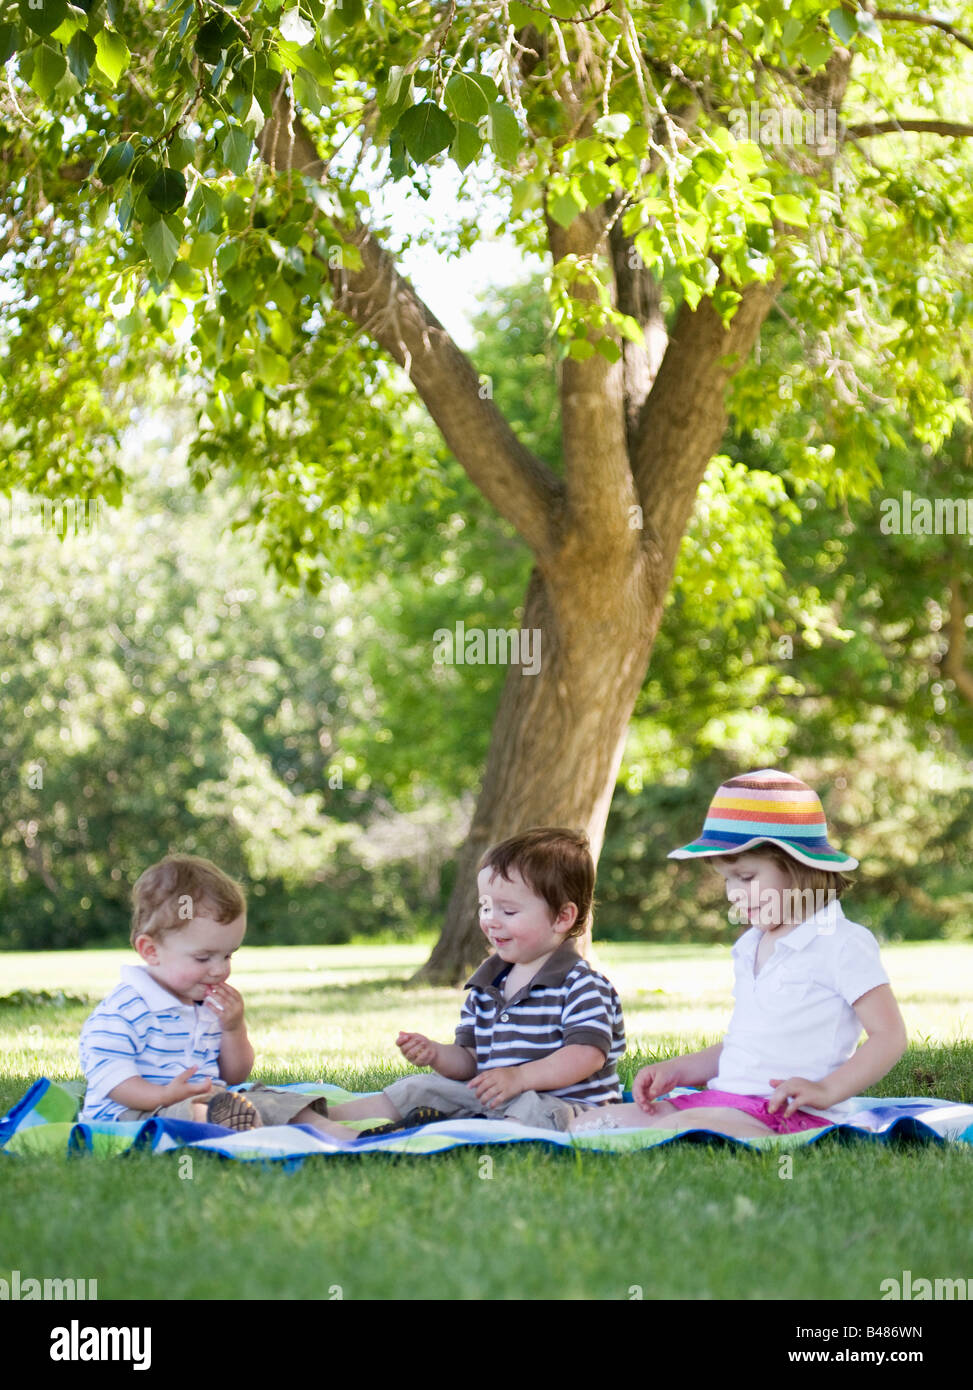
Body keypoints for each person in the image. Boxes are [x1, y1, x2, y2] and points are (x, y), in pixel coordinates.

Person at [572, 769, 907, 1138]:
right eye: (727, 879)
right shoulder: (752, 945)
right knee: (591, 1123)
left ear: (799, 867)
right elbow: (746, 1047)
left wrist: (826, 1091)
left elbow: (889, 1036)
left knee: (679, 1130)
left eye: (746, 878)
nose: (733, 893)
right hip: (724, 1100)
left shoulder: (841, 942)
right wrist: (681, 1070)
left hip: (789, 1111)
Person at [307, 827, 626, 1140]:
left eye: (508, 910)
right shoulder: (488, 986)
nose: (490, 919)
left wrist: (519, 1077)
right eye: (485, 907)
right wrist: (436, 1055)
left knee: (530, 1108)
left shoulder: (581, 985)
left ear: (562, 918)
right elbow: (471, 1060)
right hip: (496, 1101)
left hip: (567, 1106)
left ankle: (460, 1133)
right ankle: (324, 1120)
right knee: (424, 1086)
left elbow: (586, 1055)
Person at [79, 854, 333, 1133]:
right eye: (203, 958)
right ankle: (246, 1130)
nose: (219, 970)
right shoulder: (124, 1009)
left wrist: (234, 1029)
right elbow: (114, 1082)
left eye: (228, 956)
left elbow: (233, 1075)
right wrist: (165, 1096)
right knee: (199, 1113)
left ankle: (353, 1131)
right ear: (151, 951)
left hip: (211, 1100)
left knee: (270, 1101)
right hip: (132, 1115)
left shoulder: (207, 1004)